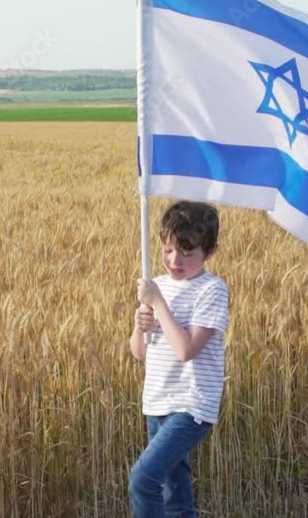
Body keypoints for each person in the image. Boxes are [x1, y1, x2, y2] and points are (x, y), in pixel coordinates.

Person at [129, 200, 230, 518]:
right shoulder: (156, 286)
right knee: (175, 495)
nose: (175, 260)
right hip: (157, 400)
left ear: (210, 252)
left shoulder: (211, 290)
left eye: (187, 254)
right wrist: (138, 326)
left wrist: (158, 304)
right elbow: (141, 353)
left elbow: (186, 350)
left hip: (191, 406)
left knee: (143, 480)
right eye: (169, 249)